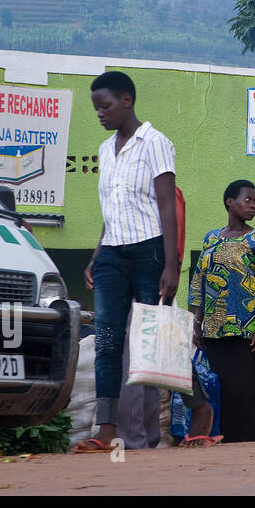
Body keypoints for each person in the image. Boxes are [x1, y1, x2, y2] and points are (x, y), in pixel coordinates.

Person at [73, 71, 180, 453]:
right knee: (106, 342)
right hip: (112, 255)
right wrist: (96, 253)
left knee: (148, 344)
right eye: (96, 108)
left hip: (150, 252)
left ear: (127, 100)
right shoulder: (105, 150)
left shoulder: (156, 142)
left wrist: (172, 264)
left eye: (105, 106)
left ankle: (146, 431)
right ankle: (106, 429)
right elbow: (112, 209)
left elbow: (167, 204)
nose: (100, 114)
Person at [188, 179, 255, 442]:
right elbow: (200, 281)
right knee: (222, 388)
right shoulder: (210, 238)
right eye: (247, 200)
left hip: (249, 330)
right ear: (230, 201)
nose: (253, 205)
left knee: (250, 390)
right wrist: (197, 324)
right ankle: (222, 436)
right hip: (216, 331)